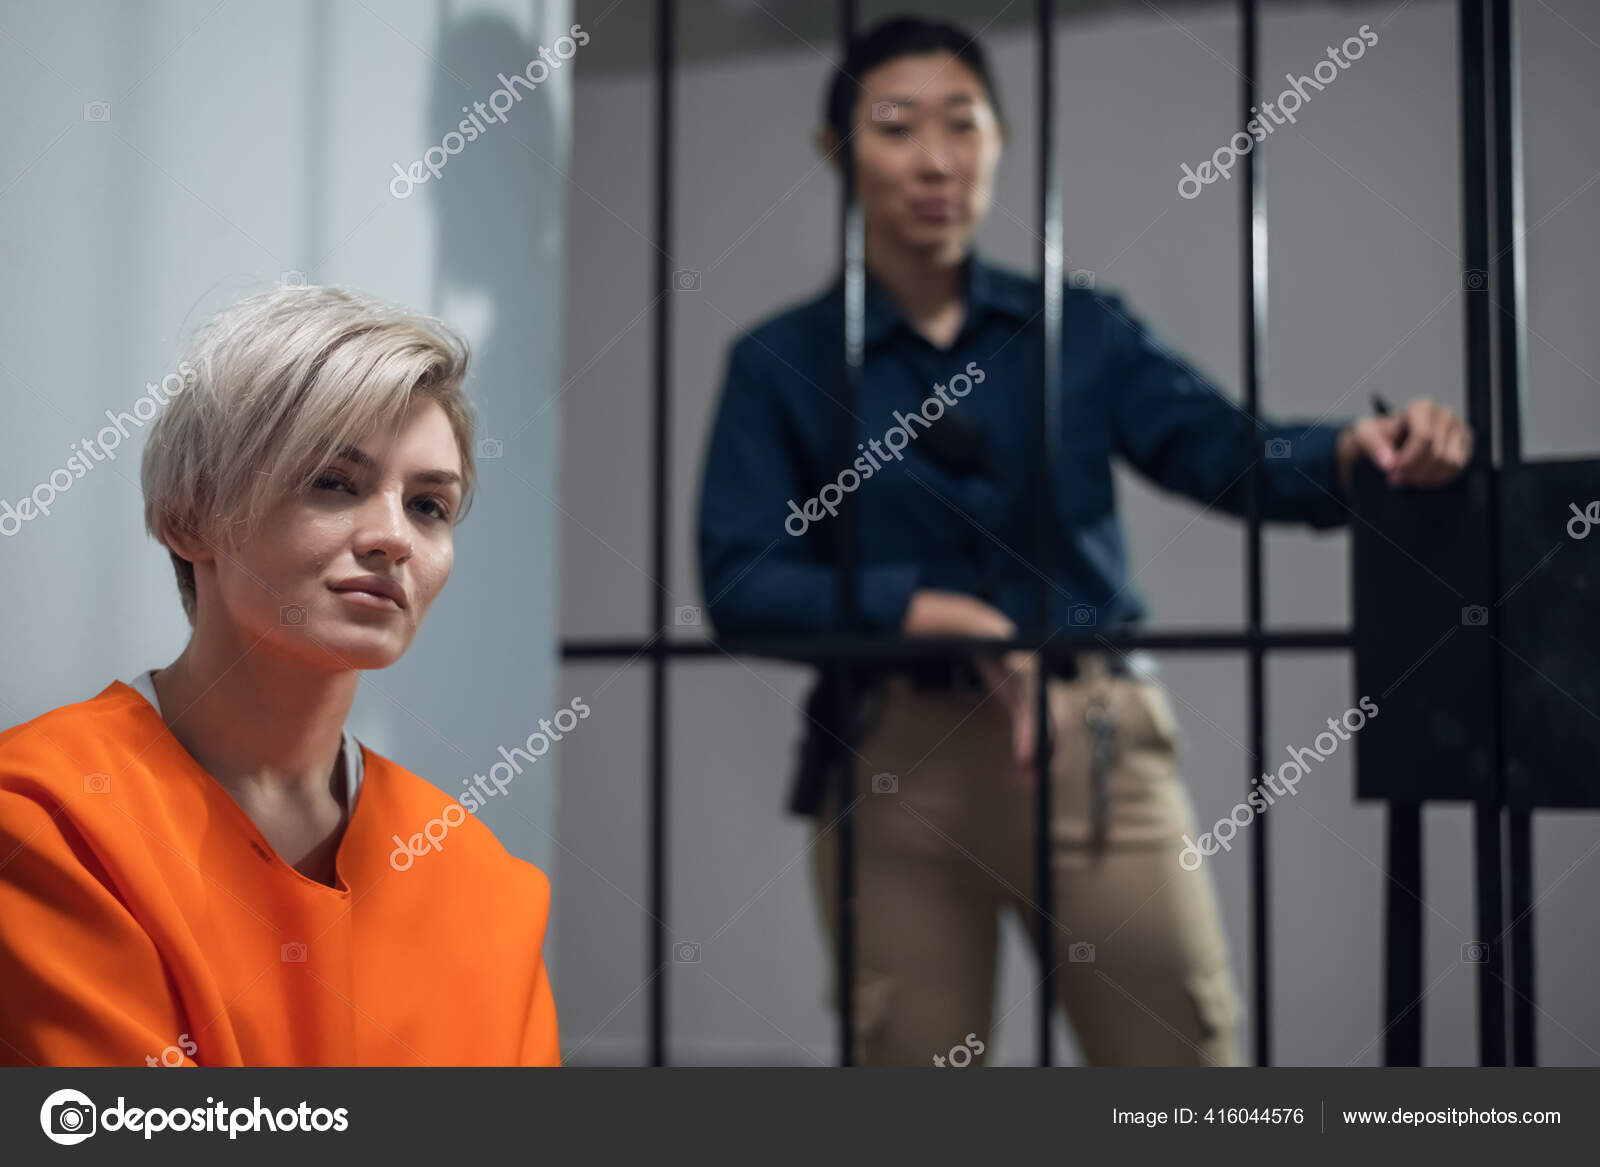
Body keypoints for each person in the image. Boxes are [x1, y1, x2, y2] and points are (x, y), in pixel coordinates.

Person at [696, 16, 1471, 1066]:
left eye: (962, 125)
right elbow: (738, 578)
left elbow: (1223, 452)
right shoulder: (779, 362)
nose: (934, 159)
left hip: (1090, 740)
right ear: (837, 151)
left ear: (1002, 143)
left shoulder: (1079, 329)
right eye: (894, 126)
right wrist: (921, 610)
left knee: (1178, 1066)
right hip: (891, 759)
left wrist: (1353, 454)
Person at [0, 286, 559, 1067]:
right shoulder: (43, 821)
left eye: (430, 504)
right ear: (190, 516)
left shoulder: (482, 881)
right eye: (334, 482)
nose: (394, 537)